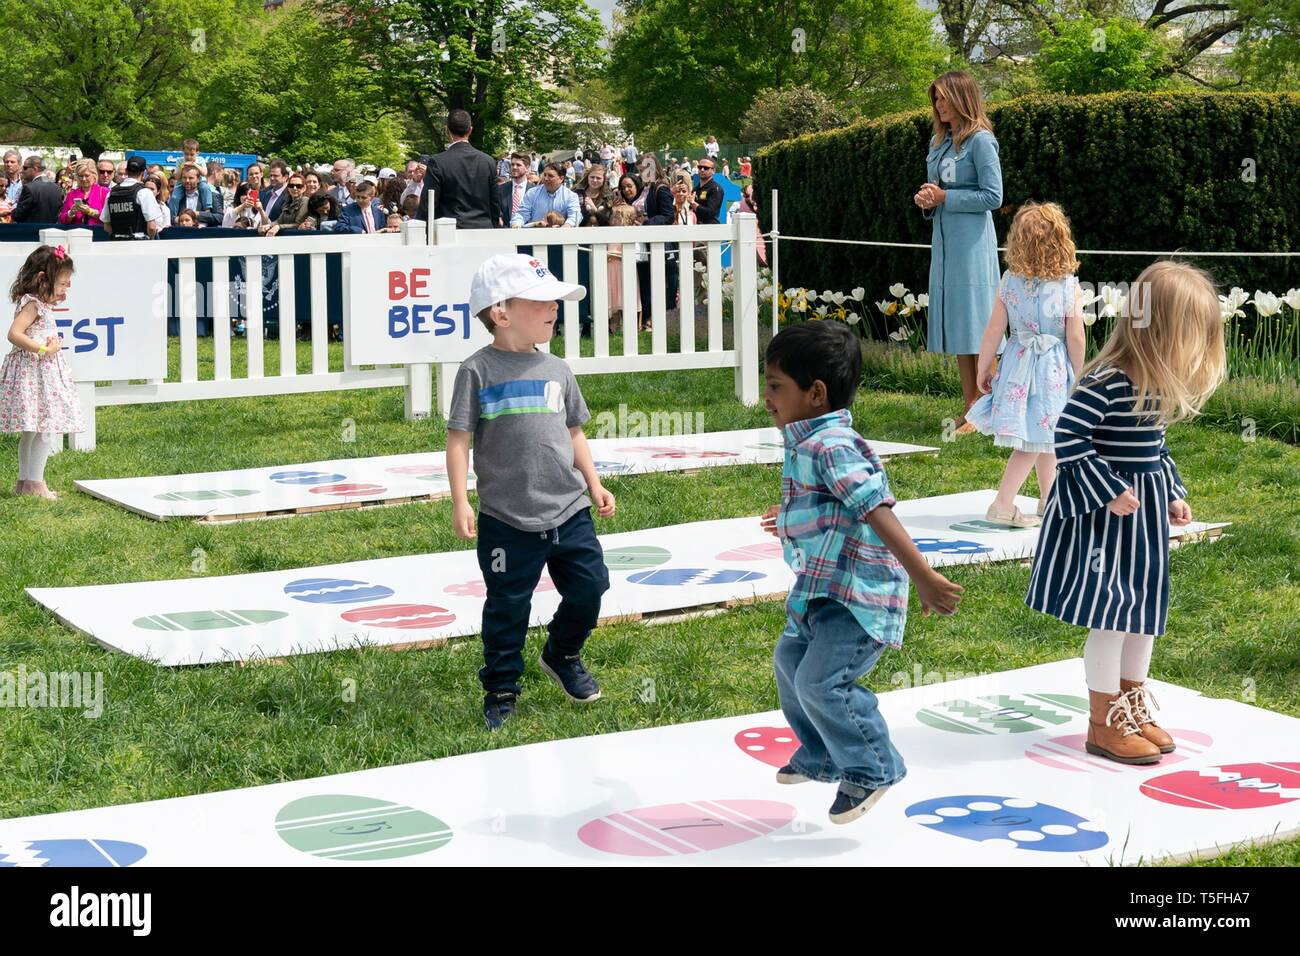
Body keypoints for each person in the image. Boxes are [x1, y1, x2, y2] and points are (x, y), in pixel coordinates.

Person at [761, 320, 963, 823]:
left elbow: (875, 507)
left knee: (821, 682)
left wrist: (924, 576)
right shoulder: (809, 439)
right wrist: (789, 513)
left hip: (857, 594)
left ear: (815, 393)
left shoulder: (830, 446)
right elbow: (833, 502)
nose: (767, 397)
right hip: (823, 589)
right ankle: (824, 754)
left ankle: (874, 767)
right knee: (790, 662)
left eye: (775, 386)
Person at [1026, 260, 1225, 764]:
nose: (1196, 347)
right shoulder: (1109, 381)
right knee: (1113, 615)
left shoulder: (1155, 382)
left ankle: (1131, 705)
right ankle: (1102, 720)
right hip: (1105, 522)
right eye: (1190, 334)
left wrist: (1174, 491)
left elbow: (1155, 450)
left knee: (1142, 616)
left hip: (1144, 520)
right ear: (1158, 329)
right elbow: (1067, 436)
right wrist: (1108, 488)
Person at [446, 253, 615, 729]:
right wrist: (462, 500)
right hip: (508, 519)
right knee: (508, 605)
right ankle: (501, 687)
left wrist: (594, 483)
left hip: (569, 508)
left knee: (590, 588)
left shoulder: (558, 370)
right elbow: (458, 440)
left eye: (556, 302)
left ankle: (561, 654)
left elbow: (574, 432)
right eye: (542, 302)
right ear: (501, 313)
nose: (554, 310)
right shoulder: (477, 371)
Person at [965, 202, 1085, 527]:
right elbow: (1075, 336)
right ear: (1060, 240)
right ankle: (1003, 504)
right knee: (1033, 440)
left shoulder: (1009, 281)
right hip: (1052, 372)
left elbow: (994, 328)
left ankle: (1048, 501)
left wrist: (983, 367)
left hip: (1017, 366)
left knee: (1046, 436)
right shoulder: (1067, 285)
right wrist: (1081, 373)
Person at [914, 70, 1003, 436]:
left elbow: (993, 196)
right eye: (936, 98)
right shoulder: (939, 143)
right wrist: (927, 201)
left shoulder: (981, 141)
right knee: (961, 327)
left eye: (945, 97)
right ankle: (971, 407)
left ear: (964, 98)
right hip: (945, 242)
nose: (940, 104)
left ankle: (990, 409)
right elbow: (937, 193)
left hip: (972, 245)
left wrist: (946, 197)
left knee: (979, 325)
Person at [0, 244, 85, 499]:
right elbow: (14, 334)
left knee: (33, 429)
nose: (64, 292)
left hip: (38, 371)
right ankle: (35, 483)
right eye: (61, 285)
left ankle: (25, 483)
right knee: (45, 427)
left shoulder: (37, 304)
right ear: (42, 279)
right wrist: (42, 349)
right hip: (36, 373)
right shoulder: (33, 305)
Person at [417, 109, 500, 229]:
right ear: (470, 130)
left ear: (447, 131)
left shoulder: (438, 162)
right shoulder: (488, 161)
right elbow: (495, 202)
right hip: (484, 230)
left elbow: (428, 205)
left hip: (450, 232)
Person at [103, 156, 165, 239]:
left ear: (127, 171)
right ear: (143, 173)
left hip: (116, 245)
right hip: (138, 246)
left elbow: (106, 226)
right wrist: (150, 240)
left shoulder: (111, 193)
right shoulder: (144, 192)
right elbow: (152, 227)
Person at [510, 163, 580, 228]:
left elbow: (574, 216)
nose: (546, 178)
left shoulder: (571, 196)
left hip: (561, 238)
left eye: (550, 176)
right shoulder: (532, 193)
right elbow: (522, 214)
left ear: (561, 179)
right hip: (534, 237)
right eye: (545, 175)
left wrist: (565, 227)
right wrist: (516, 224)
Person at [606, 204, 641, 333]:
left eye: (617, 217)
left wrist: (614, 254)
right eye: (613, 217)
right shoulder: (608, 234)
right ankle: (613, 328)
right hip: (610, 271)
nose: (613, 220)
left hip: (624, 271)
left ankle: (631, 328)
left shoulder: (629, 235)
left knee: (626, 297)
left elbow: (634, 254)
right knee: (613, 301)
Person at [58, 159, 110, 227]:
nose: (84, 179)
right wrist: (70, 213)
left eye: (87, 175)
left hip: (98, 233)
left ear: (94, 175)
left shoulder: (104, 192)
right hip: (76, 234)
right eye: (80, 176)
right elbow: (62, 219)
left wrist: (91, 212)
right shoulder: (71, 194)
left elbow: (110, 216)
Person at [12, 156, 64, 223]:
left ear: (35, 168)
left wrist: (11, 212)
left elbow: (18, 215)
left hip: (32, 231)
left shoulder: (29, 188)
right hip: (51, 231)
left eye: (25, 168)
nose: (22, 171)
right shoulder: (56, 188)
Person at [496, 152, 533, 227]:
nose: (514, 167)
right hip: (505, 233)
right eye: (512, 164)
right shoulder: (501, 189)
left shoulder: (534, 191)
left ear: (527, 168)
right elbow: (497, 214)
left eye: (518, 165)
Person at [575, 162, 615, 227]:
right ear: (588, 177)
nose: (595, 180)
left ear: (604, 179)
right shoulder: (577, 194)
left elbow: (608, 221)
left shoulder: (609, 196)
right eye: (592, 177)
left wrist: (595, 210)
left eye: (598, 178)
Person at [692, 155, 723, 225]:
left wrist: (694, 204)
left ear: (713, 171)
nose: (702, 170)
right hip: (695, 228)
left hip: (710, 229)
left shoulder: (715, 188)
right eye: (700, 167)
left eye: (706, 168)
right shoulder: (695, 189)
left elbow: (710, 213)